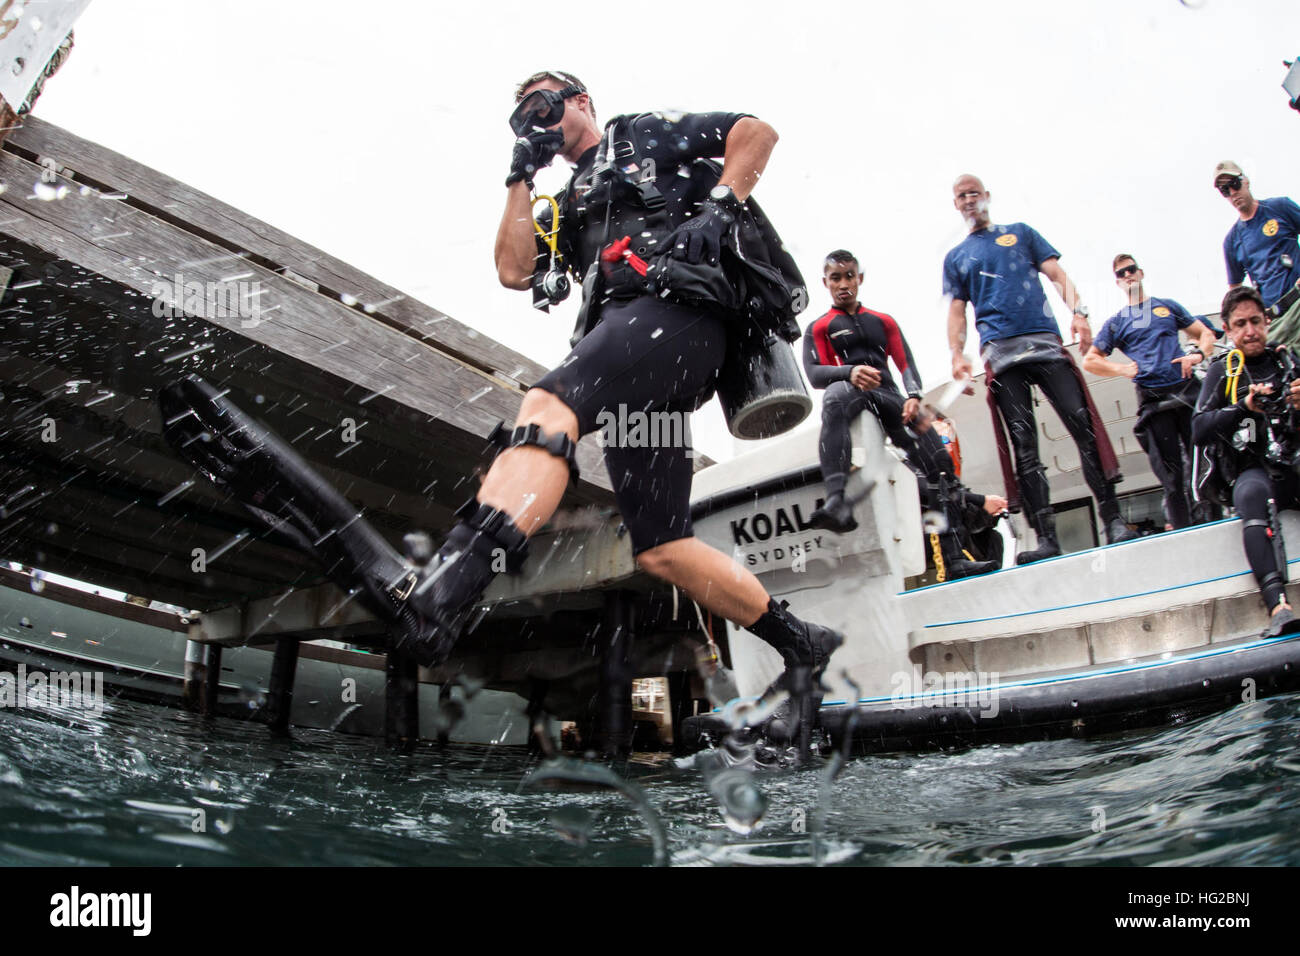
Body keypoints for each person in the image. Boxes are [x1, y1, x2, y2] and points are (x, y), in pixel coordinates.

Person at [473, 72, 841, 712]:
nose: (534, 119)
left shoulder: (640, 134)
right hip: (637, 382)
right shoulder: (561, 202)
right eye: (521, 116)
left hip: (673, 322)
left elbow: (755, 133)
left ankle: (465, 566)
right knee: (664, 546)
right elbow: (513, 270)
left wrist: (720, 206)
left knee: (549, 405)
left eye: (541, 104)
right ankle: (801, 640)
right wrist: (518, 174)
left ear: (580, 100)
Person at [944, 173, 1136, 564]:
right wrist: (956, 354)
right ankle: (1047, 538)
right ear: (956, 205)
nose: (969, 200)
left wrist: (1079, 314)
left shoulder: (1020, 233)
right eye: (961, 196)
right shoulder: (957, 257)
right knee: (1025, 450)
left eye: (974, 193)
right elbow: (957, 310)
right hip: (1001, 356)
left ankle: (1112, 518)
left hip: (1046, 345)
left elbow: (1058, 275)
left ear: (987, 197)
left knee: (1083, 428)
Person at [803, 249, 1005, 579]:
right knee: (834, 400)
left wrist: (913, 395)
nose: (843, 284)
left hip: (891, 396)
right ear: (825, 283)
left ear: (860, 278)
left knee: (940, 463)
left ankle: (955, 557)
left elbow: (906, 364)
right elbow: (814, 374)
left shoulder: (883, 321)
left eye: (849, 276)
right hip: (852, 388)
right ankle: (837, 501)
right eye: (835, 278)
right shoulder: (820, 327)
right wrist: (849, 372)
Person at [1192, 287, 1300, 636]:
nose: (1250, 330)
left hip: (1293, 465)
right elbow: (1198, 429)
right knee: (1251, 495)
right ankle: (1278, 606)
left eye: (1256, 321)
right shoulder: (1224, 371)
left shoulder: (1288, 360)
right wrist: (1243, 408)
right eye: (1240, 324)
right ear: (1228, 329)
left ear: (1268, 321)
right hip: (1253, 471)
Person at [1083, 254, 1218, 530]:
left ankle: (1216, 523)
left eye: (1131, 270)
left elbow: (1205, 334)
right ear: (1117, 282)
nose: (1128, 275)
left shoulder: (1167, 307)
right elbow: (1090, 360)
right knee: (1172, 479)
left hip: (1185, 394)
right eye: (1121, 273)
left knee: (1203, 465)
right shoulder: (1117, 322)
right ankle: (1183, 533)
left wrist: (1197, 356)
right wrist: (1121, 369)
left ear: (1141, 273)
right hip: (1154, 404)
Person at [1216, 161, 1300, 348]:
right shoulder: (1232, 240)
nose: (1232, 192)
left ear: (1245, 181)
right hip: (1274, 320)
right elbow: (1235, 290)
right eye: (1225, 190)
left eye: (1234, 184)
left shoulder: (1280, 207)